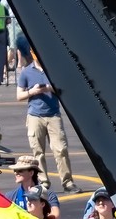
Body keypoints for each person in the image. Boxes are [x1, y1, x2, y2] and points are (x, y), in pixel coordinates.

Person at [14, 57, 77, 192]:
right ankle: (43, 182)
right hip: (35, 116)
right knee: (38, 151)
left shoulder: (53, 69)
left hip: (53, 115)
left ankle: (67, 182)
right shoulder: (26, 72)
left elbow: (64, 88)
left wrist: (49, 88)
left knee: (61, 149)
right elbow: (19, 95)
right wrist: (33, 91)